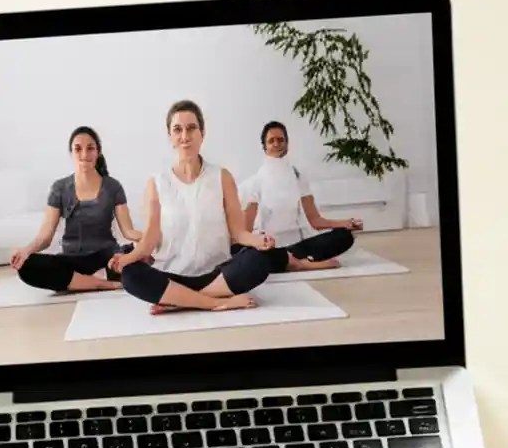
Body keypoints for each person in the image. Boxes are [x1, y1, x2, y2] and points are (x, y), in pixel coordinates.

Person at [110, 100, 274, 314]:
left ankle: (179, 301)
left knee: (260, 259)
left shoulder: (222, 177)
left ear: (202, 133)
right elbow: (149, 241)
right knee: (130, 275)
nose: (185, 136)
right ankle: (215, 302)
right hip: (171, 277)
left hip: (217, 275)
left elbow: (238, 233)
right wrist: (126, 259)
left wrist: (259, 241)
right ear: (170, 136)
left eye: (191, 128)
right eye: (177, 129)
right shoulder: (157, 183)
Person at [10, 126, 143, 293]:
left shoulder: (112, 186)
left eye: (90, 148)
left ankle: (80, 281)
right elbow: (45, 237)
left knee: (134, 260)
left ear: (98, 152)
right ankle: (101, 283)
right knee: (26, 266)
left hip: (106, 257)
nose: (84, 154)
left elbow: (128, 231)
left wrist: (149, 238)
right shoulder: (60, 188)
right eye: (78, 149)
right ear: (71, 152)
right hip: (71, 259)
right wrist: (26, 251)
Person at [237, 120, 363, 273]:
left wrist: (345, 223)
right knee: (247, 253)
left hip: (296, 247)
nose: (276, 144)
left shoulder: (298, 177)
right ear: (265, 147)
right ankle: (301, 264)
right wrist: (261, 242)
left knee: (344, 236)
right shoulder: (255, 182)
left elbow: (315, 220)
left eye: (280, 140)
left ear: (287, 144)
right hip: (270, 247)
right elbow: (246, 231)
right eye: (271, 141)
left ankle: (292, 261)